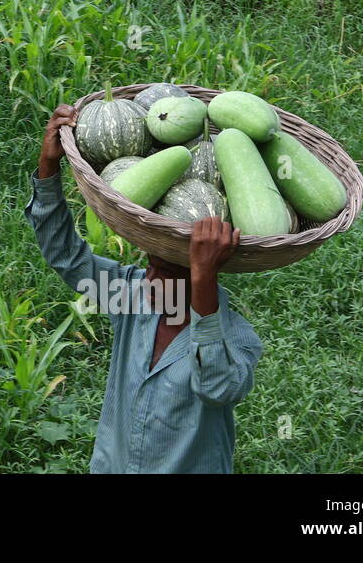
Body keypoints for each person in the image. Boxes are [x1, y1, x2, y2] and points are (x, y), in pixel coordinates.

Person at [26, 104, 263, 473]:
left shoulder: (236, 338)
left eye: (167, 263)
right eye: (151, 254)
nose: (149, 267)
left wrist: (204, 281)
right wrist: (48, 166)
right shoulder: (130, 296)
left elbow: (217, 388)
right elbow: (66, 257)